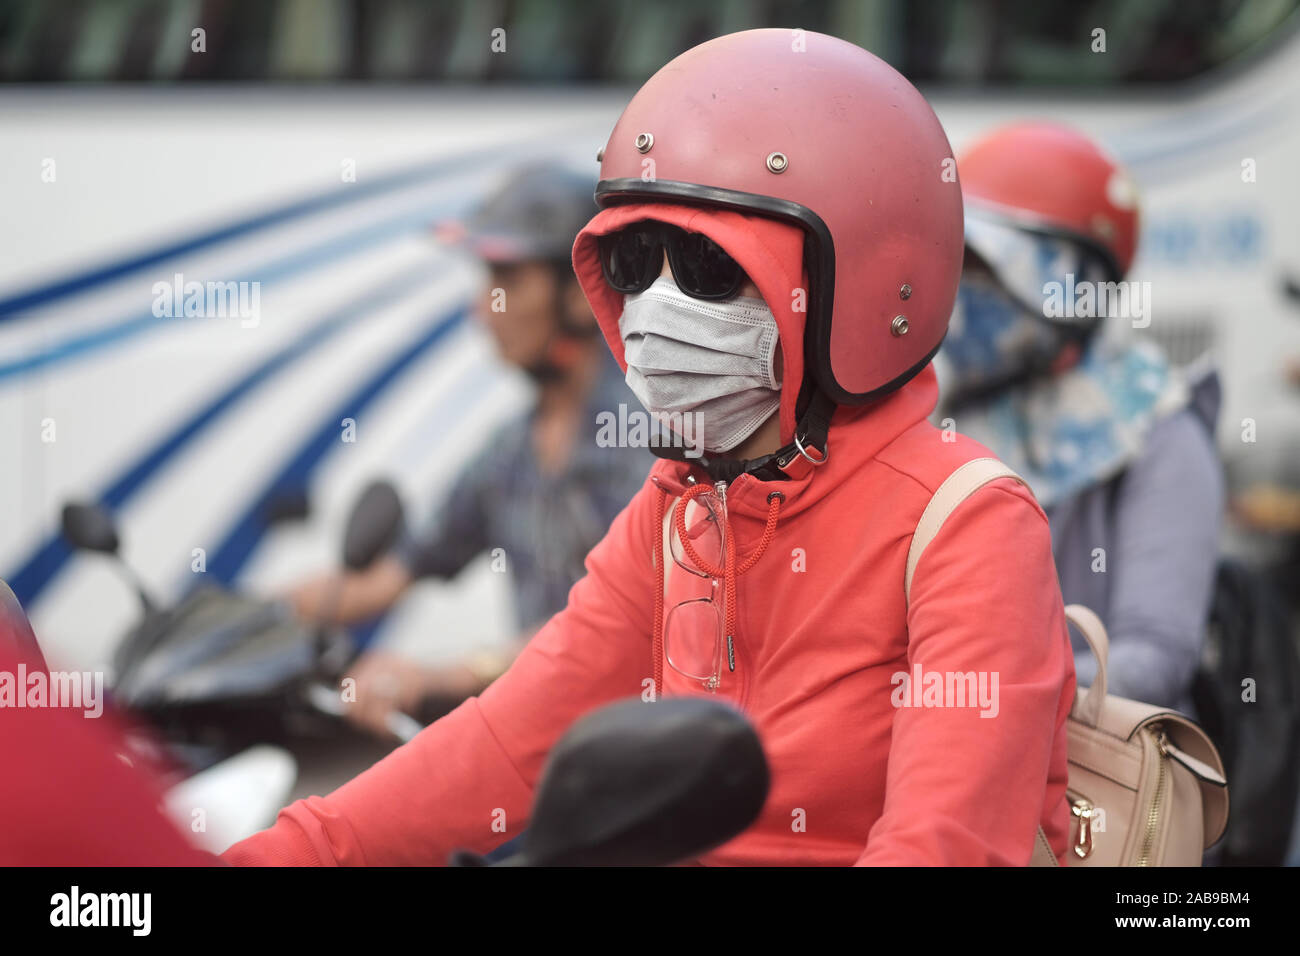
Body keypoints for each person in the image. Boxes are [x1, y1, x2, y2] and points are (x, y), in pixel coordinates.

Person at [226, 28, 1075, 867]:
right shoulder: (681, 510)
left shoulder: (970, 527)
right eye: (635, 259)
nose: (655, 307)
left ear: (856, 285)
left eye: (708, 265)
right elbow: (505, 745)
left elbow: (945, 845)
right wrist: (285, 852)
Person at [287, 162, 651, 736]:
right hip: (544, 748)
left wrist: (448, 676)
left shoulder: (644, 440)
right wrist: (249, 617)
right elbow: (390, 573)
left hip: (634, 755)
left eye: (506, 279)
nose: (485, 309)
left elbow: (617, 619)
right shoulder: (511, 451)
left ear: (583, 291)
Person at [934, 122, 1224, 712]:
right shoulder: (938, 407)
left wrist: (976, 703)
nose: (963, 294)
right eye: (957, 265)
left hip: (1084, 775)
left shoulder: (1159, 435)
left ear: (1076, 293)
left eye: (990, 274)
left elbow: (1154, 657)